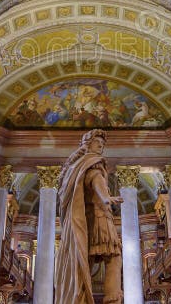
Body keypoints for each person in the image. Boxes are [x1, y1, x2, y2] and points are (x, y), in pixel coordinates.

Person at [55, 129, 123, 304]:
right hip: (100, 217)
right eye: (97, 143)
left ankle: (79, 296)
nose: (101, 146)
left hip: (87, 220)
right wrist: (106, 197)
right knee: (113, 258)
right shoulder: (93, 163)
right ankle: (112, 299)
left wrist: (104, 197)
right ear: (88, 144)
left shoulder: (76, 166)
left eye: (102, 144)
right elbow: (96, 180)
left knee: (85, 260)